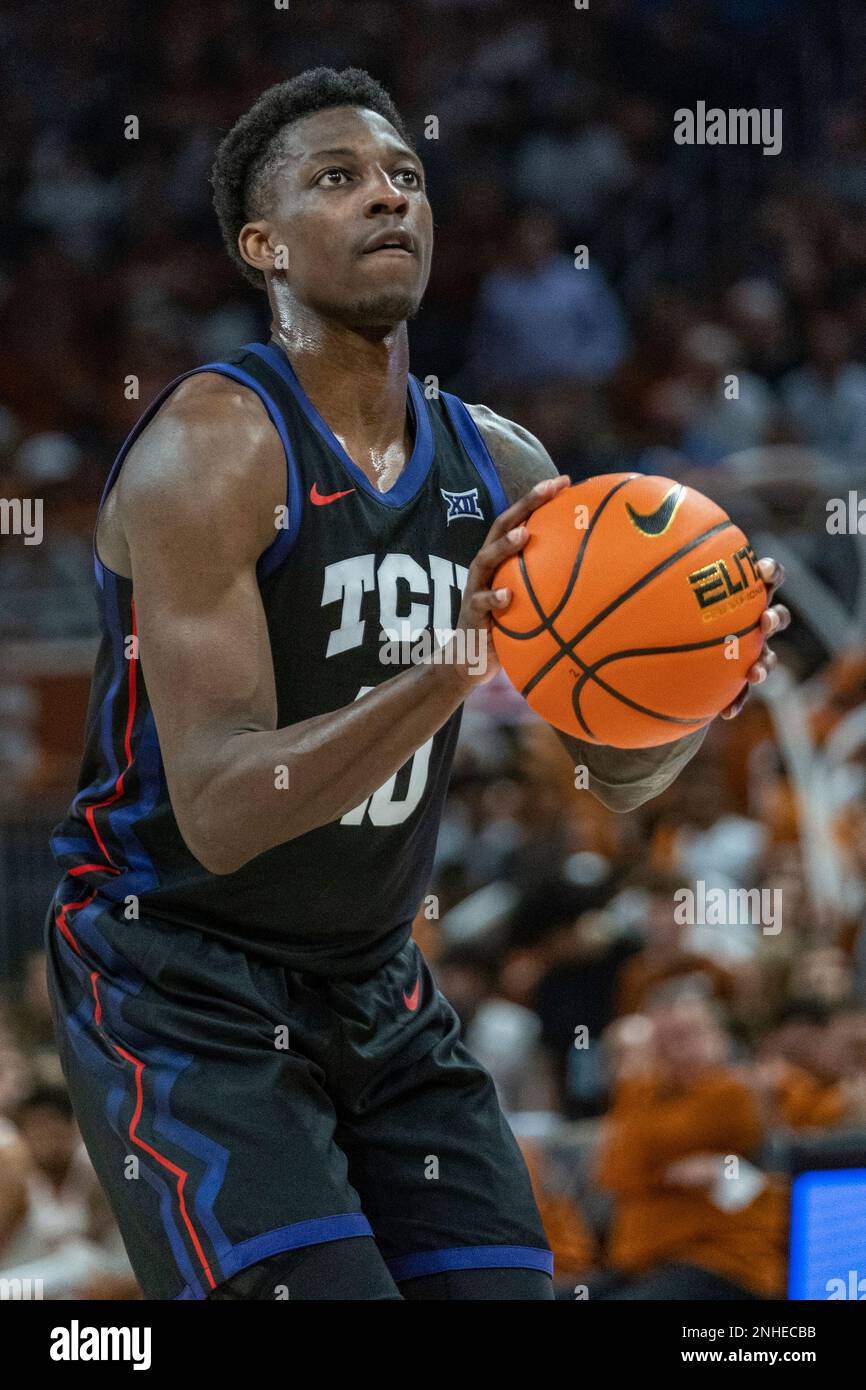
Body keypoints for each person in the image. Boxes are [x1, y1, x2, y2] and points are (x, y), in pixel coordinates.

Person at [45, 67, 789, 1302]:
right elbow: (225, 807)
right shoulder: (212, 448)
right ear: (262, 243)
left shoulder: (503, 463)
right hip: (181, 973)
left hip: (375, 978)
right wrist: (453, 663)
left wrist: (691, 695)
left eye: (404, 176)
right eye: (336, 179)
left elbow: (613, 776)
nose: (386, 197)